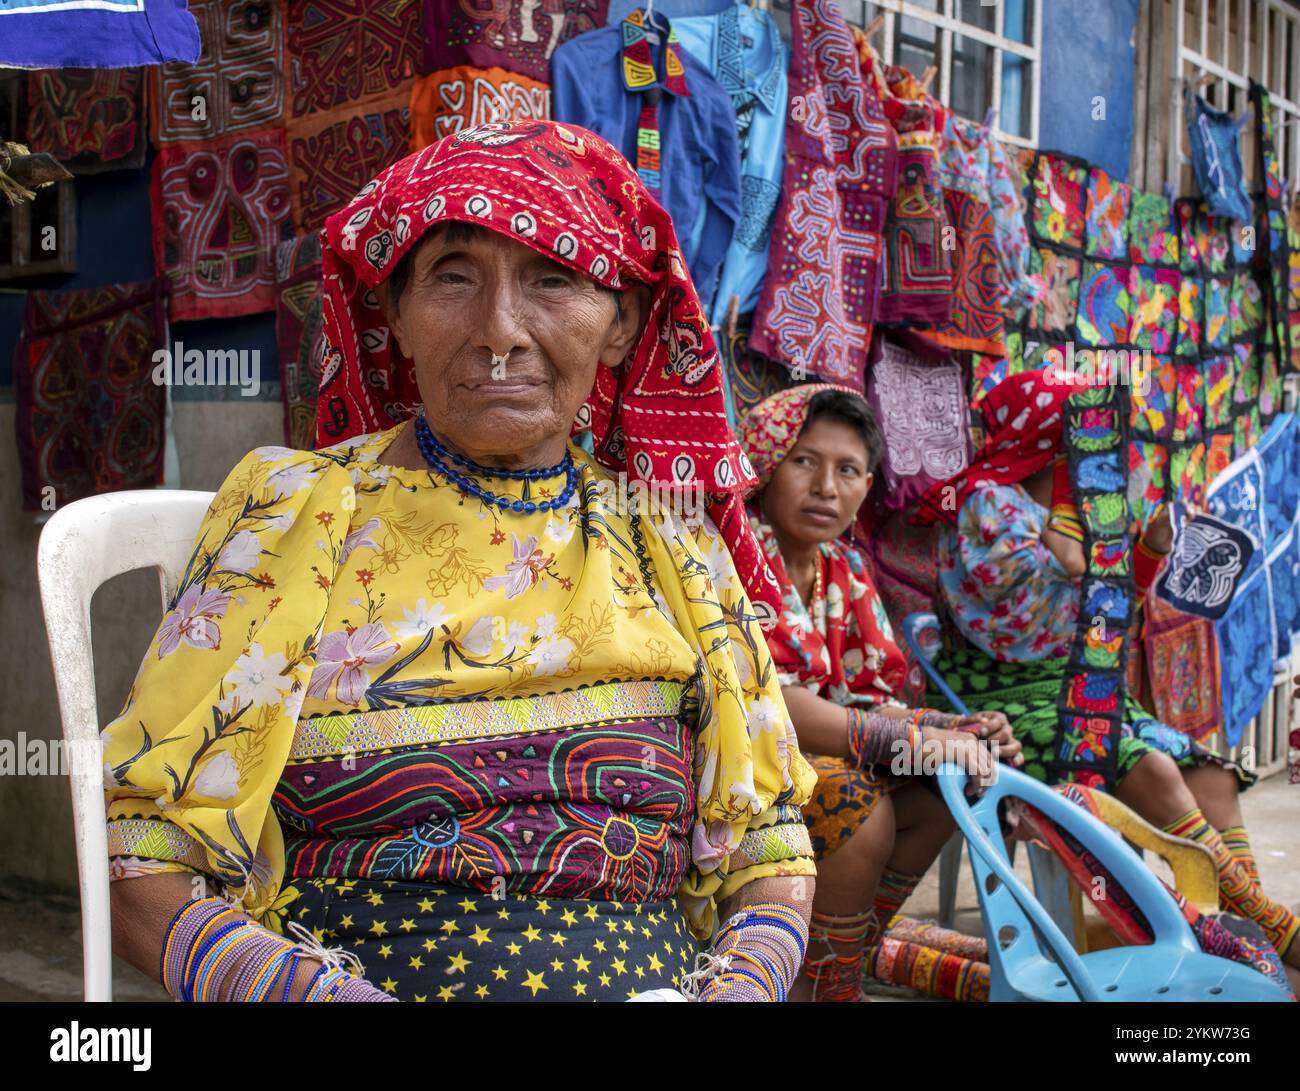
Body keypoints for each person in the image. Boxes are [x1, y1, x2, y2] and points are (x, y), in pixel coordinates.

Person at [102, 120, 818, 1003]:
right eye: (452, 277)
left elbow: (771, 845)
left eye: (553, 278)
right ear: (396, 314)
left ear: (623, 323)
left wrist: (741, 988)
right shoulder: (301, 509)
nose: (500, 331)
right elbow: (141, 855)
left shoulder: (665, 534)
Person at [921, 368, 1300, 988]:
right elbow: (1022, 625)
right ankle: (1260, 936)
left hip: (1083, 693)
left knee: (1209, 772)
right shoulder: (988, 503)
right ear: (1058, 432)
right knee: (1151, 768)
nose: (1107, 444)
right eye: (1091, 427)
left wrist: (1145, 550)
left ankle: (1250, 941)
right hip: (1000, 699)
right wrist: (1081, 541)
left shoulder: (1083, 506)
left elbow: (1112, 614)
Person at [738, 384, 1022, 1002]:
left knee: (947, 791)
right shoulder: (731, 555)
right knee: (855, 802)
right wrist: (923, 737)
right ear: (764, 463)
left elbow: (867, 699)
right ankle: (831, 988)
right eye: (803, 461)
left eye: (848, 470)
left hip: (821, 755)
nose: (826, 487)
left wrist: (957, 729)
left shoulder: (847, 570)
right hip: (737, 768)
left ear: (867, 487)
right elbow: (769, 702)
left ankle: (838, 961)